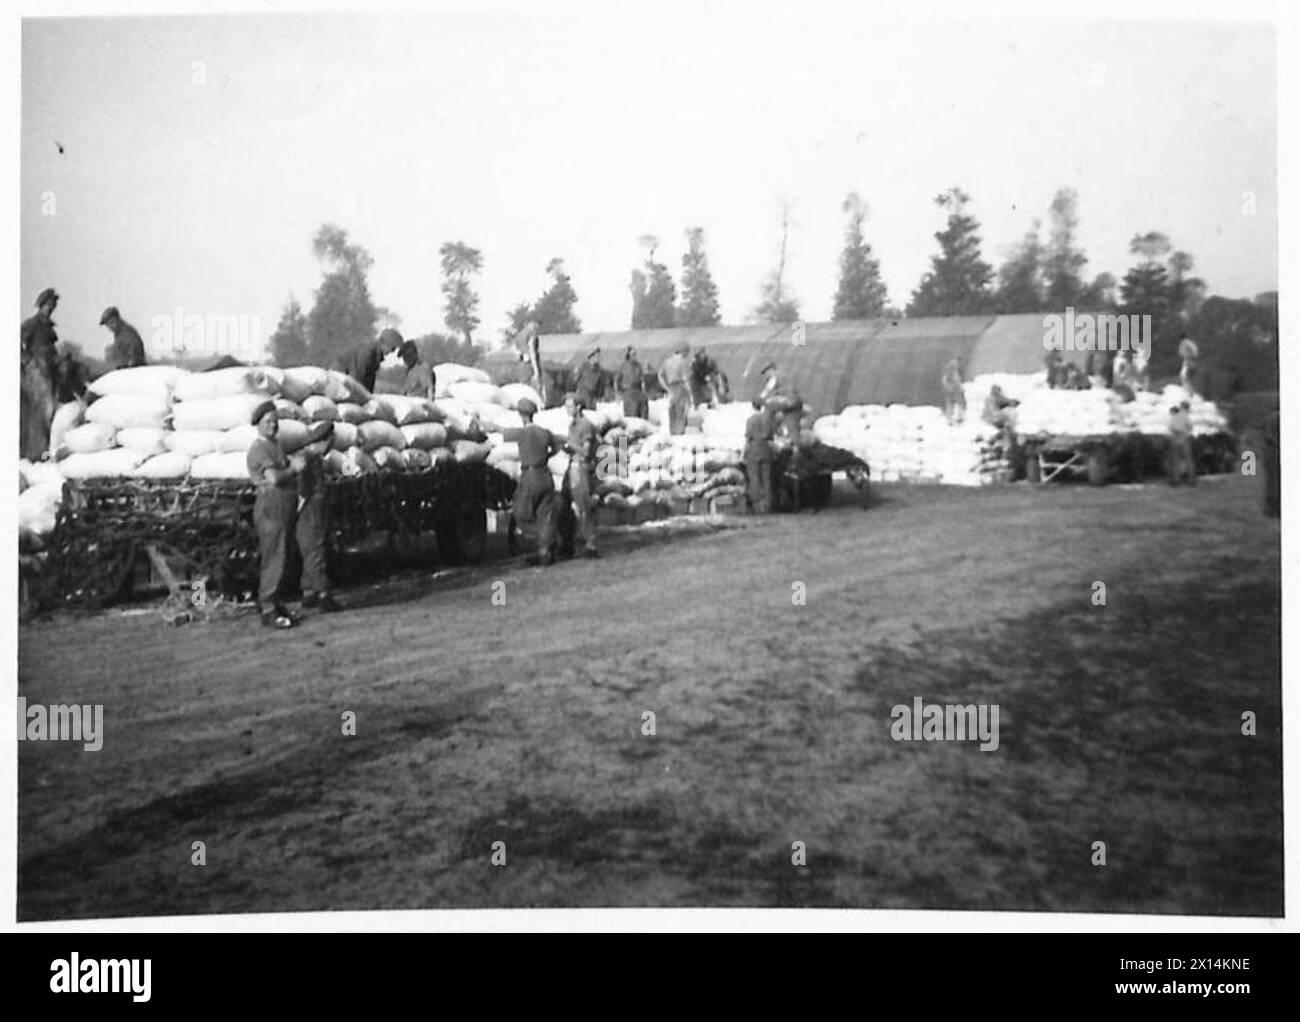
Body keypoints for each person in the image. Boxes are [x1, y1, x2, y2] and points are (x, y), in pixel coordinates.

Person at [246, 400, 302, 629]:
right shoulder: (259, 448)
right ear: (258, 425)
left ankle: (276, 601)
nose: (273, 426)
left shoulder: (275, 444)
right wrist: (294, 468)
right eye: (268, 422)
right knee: (274, 556)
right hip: (271, 504)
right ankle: (268, 607)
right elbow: (274, 478)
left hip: (283, 505)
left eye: (275, 421)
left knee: (284, 554)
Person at [501, 398, 559, 565]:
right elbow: (557, 446)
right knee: (545, 514)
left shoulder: (520, 433)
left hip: (530, 476)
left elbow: (500, 431)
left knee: (521, 511)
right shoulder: (544, 432)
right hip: (545, 475)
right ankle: (545, 550)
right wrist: (546, 457)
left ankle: (527, 542)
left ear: (520, 414)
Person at [290, 436, 339, 613]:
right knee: (314, 549)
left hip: (312, 508)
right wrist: (297, 510)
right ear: (323, 441)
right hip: (311, 509)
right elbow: (303, 488)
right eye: (328, 443)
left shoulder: (312, 457)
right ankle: (323, 594)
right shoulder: (310, 458)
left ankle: (308, 591)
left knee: (308, 548)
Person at [21, 287, 60, 461]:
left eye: (53, 305)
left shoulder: (48, 325)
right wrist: (27, 361)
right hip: (37, 369)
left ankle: (42, 452)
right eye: (48, 305)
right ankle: (37, 453)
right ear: (41, 305)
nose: (51, 308)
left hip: (49, 367)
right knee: (42, 410)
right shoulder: (32, 323)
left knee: (48, 410)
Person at [561, 392, 600, 558]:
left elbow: (585, 451)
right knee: (564, 505)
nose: (567, 409)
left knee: (583, 506)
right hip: (572, 466)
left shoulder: (585, 426)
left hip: (581, 468)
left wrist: (571, 446)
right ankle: (568, 541)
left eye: (570, 406)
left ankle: (590, 542)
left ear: (578, 407)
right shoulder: (572, 425)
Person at [340, 328, 402, 395]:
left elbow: (369, 380)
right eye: (393, 348)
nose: (392, 352)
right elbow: (357, 377)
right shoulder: (368, 352)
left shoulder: (374, 355)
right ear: (385, 344)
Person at [760, 361, 804, 447]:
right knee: (792, 427)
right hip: (795, 403)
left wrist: (761, 399)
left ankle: (766, 435)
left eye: (766, 372)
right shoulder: (785, 375)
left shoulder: (774, 377)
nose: (765, 375)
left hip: (787, 401)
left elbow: (766, 392)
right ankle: (797, 448)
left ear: (771, 370)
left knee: (768, 408)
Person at [744, 398, 775, 513]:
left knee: (754, 477)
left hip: (753, 449)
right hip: (765, 449)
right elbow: (772, 437)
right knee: (766, 478)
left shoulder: (750, 420)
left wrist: (744, 453)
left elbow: (747, 438)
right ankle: (767, 504)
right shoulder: (768, 420)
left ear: (753, 407)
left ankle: (756, 504)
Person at [658, 340, 692, 435]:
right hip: (681, 387)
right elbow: (686, 378)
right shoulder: (683, 362)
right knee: (681, 411)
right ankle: (680, 433)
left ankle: (672, 432)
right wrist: (690, 392)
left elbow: (660, 375)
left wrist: (666, 387)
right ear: (684, 351)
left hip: (671, 388)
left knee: (672, 411)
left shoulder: (667, 361)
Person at [1167, 400, 1196, 484]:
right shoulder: (1186, 416)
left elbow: (1171, 427)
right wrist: (1185, 431)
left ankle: (1176, 479)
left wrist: (1176, 431)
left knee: (1176, 460)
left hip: (1175, 439)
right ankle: (1191, 479)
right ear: (1188, 408)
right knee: (1188, 460)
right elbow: (1190, 426)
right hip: (1184, 439)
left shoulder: (1175, 415)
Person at [618, 346, 648, 419]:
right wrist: (619, 394)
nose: (634, 356)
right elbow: (617, 381)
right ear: (628, 355)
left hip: (638, 392)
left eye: (635, 354)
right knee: (632, 415)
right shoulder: (623, 366)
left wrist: (644, 392)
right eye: (633, 354)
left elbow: (642, 380)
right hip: (629, 393)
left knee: (643, 412)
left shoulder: (638, 365)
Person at [941, 357, 966, 424]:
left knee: (950, 404)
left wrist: (947, 387)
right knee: (959, 403)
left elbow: (944, 380)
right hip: (955, 390)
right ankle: (959, 417)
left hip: (949, 389)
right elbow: (956, 380)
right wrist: (960, 388)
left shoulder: (947, 369)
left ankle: (949, 419)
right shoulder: (954, 370)